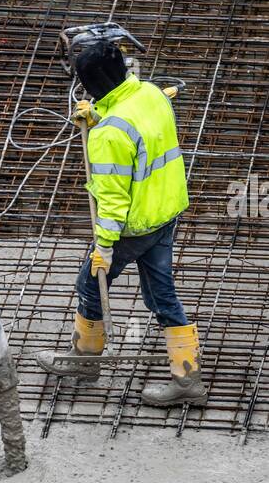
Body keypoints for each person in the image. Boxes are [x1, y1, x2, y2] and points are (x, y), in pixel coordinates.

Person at [37, 39, 207, 405]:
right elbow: (141, 130)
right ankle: (188, 378)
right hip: (166, 211)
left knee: (91, 282)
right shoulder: (151, 94)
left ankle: (85, 361)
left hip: (134, 225)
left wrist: (103, 249)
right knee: (162, 294)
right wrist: (99, 113)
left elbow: (113, 202)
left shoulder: (109, 135)